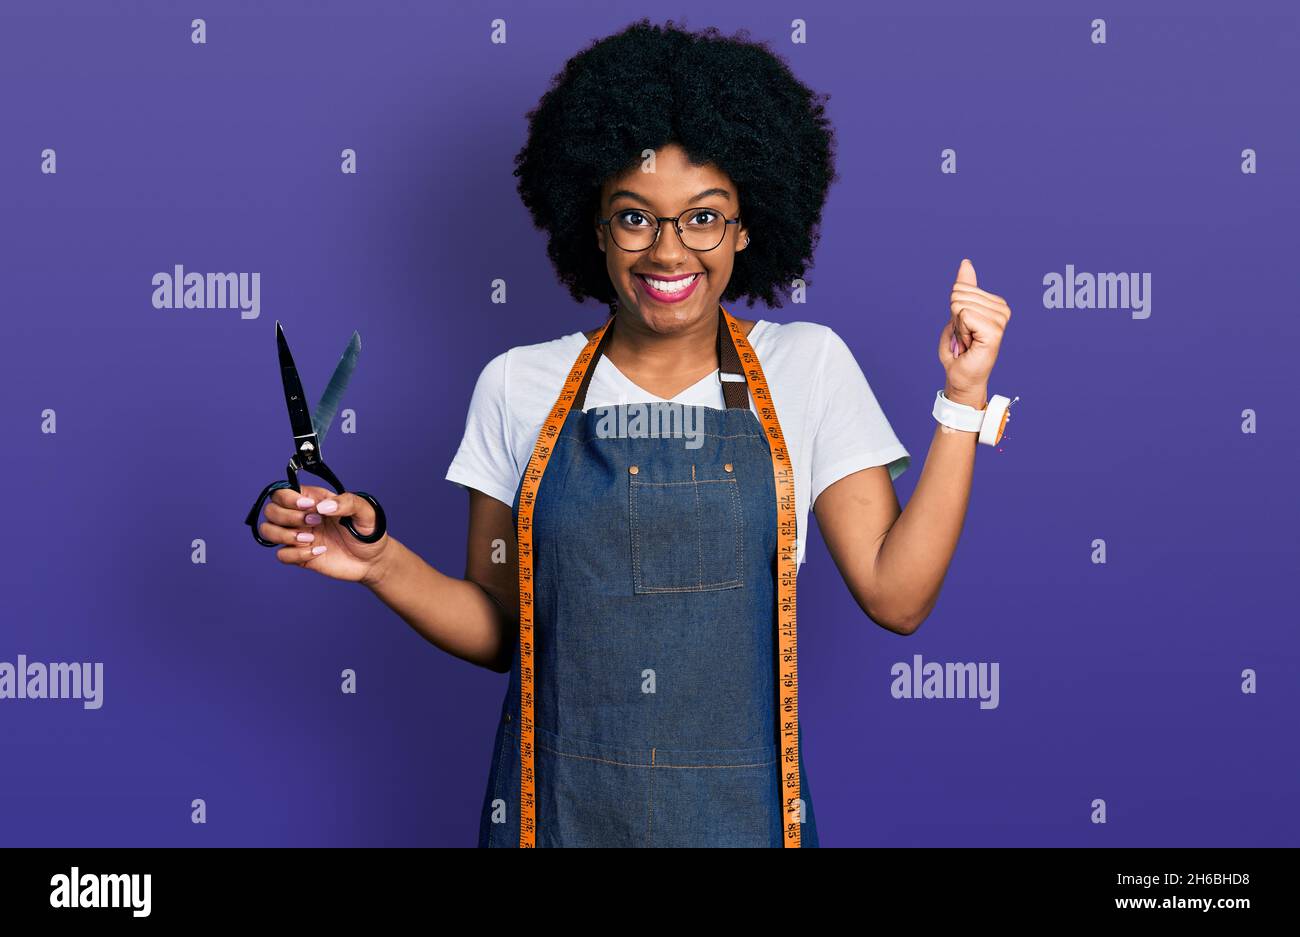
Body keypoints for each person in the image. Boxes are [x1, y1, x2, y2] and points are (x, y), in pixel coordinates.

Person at [254, 19, 1013, 847]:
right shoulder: (518, 384)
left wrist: (963, 398)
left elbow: (898, 599)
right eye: (634, 217)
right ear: (593, 223)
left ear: (748, 226)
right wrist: (379, 562)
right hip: (555, 821)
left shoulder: (809, 367)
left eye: (704, 218)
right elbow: (502, 629)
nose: (668, 251)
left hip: (740, 826)